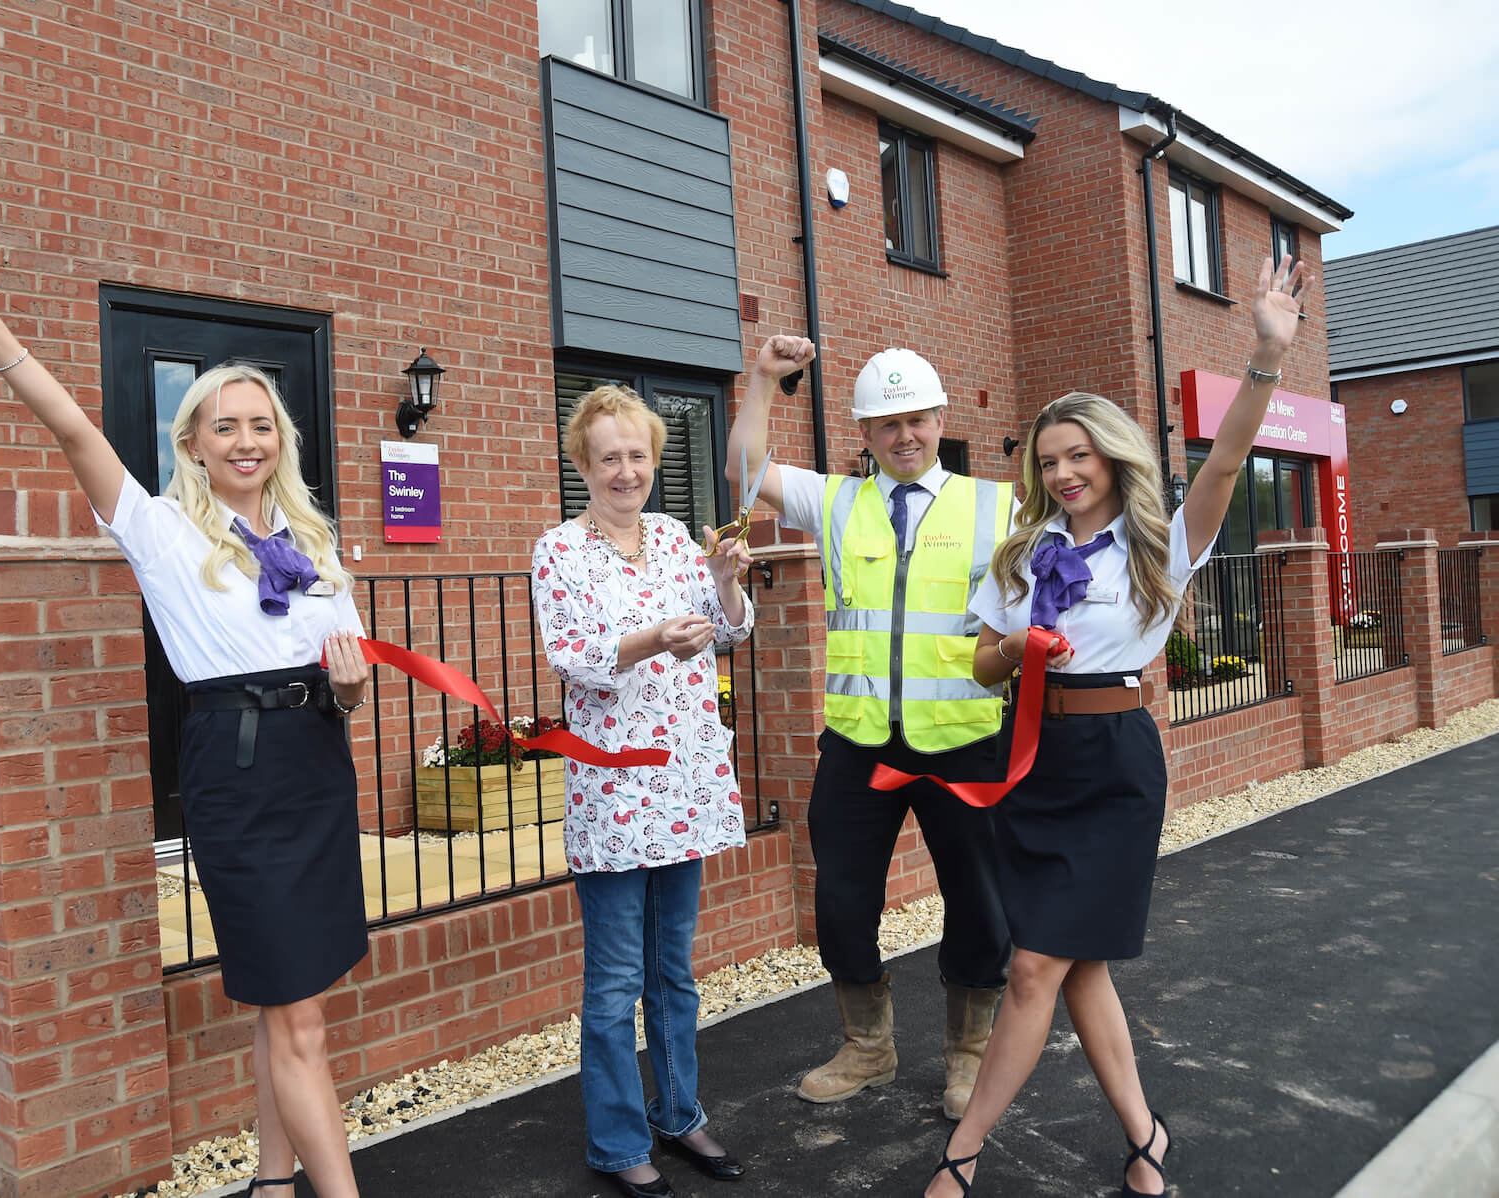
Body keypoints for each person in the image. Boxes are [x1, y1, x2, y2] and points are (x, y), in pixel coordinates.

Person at [0, 214, 368, 1198]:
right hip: (239, 771)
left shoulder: (308, 541)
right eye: (224, 426)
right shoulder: (158, 529)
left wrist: (349, 686)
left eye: (259, 425)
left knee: (287, 997)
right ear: (192, 443)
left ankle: (273, 1180)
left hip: (316, 765)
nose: (244, 440)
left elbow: (346, 673)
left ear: (279, 440)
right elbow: (72, 427)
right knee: (298, 1013)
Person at [922, 255, 1308, 1198]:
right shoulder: (1023, 551)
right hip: (1035, 761)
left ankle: (963, 1154)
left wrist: (1265, 354)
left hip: (1115, 765)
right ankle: (1145, 1134)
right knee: (1078, 963)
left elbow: (1226, 460)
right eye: (1048, 461)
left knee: (1033, 966)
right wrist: (1022, 649)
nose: (1062, 474)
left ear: (1111, 457)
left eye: (1078, 457)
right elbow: (982, 663)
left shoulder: (1161, 542)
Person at [725, 336, 1014, 1119]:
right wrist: (762, 379)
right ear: (864, 433)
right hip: (858, 744)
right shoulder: (838, 502)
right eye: (888, 424)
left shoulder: (999, 507)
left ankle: (970, 1055)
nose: (904, 435)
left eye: (917, 419)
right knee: (842, 901)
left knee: (980, 901)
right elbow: (745, 473)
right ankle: (868, 1046)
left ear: (941, 419)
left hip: (964, 741)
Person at [530, 385, 756, 1198]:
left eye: (637, 455)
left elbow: (732, 630)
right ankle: (619, 1141)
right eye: (609, 458)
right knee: (614, 985)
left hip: (683, 786)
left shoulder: (672, 537)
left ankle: (680, 1113)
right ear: (582, 464)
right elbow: (573, 655)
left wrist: (723, 581)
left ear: (654, 460)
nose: (625, 471)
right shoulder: (559, 550)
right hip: (615, 794)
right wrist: (654, 638)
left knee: (675, 974)